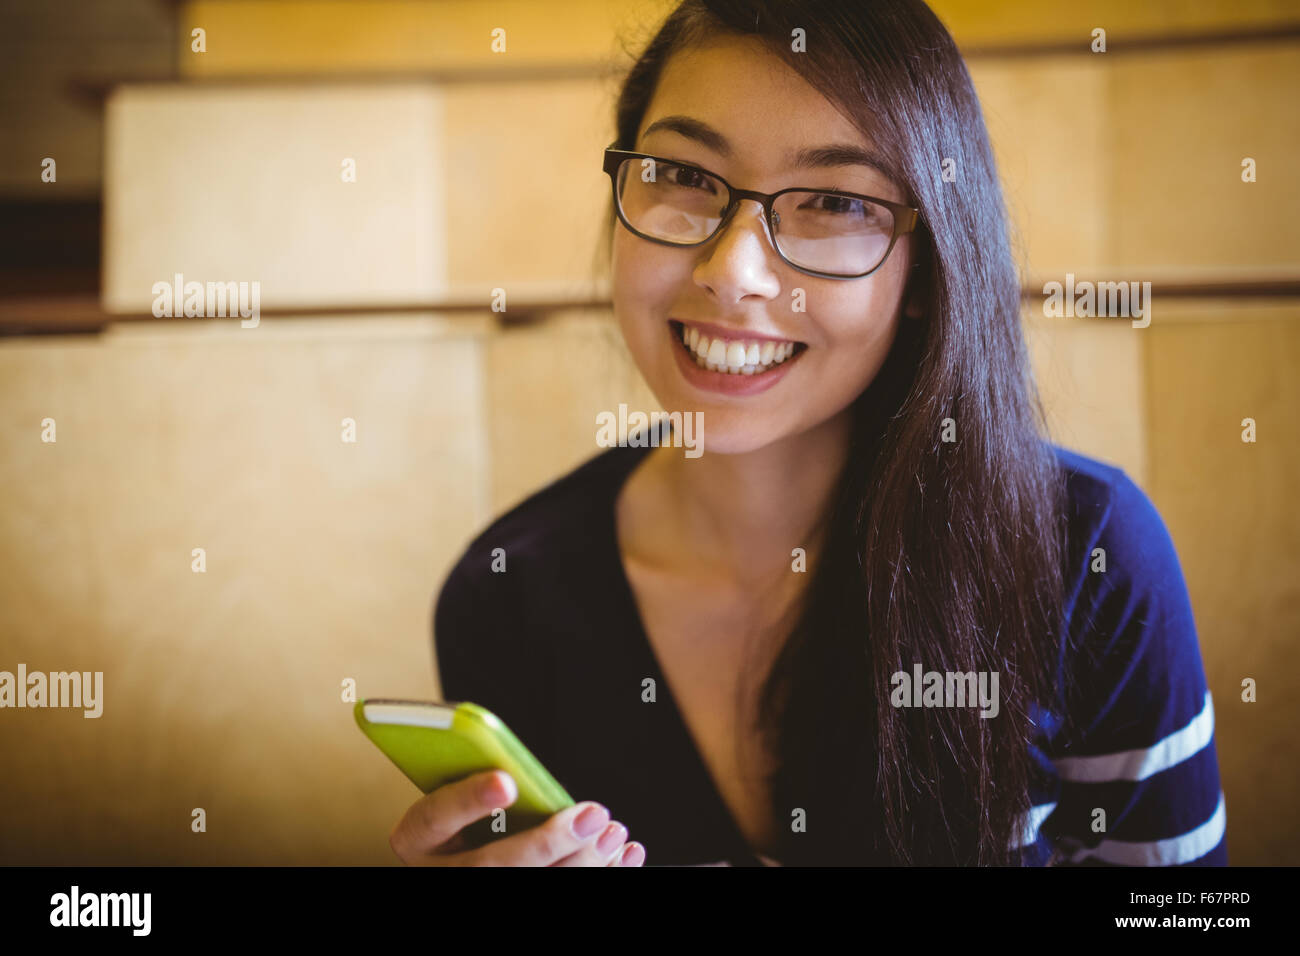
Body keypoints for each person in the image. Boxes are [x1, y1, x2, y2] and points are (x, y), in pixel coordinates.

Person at [388, 0, 1226, 867]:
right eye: (682, 176)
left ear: (928, 269)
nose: (734, 274)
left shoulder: (1086, 555)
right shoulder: (504, 598)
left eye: (833, 200)